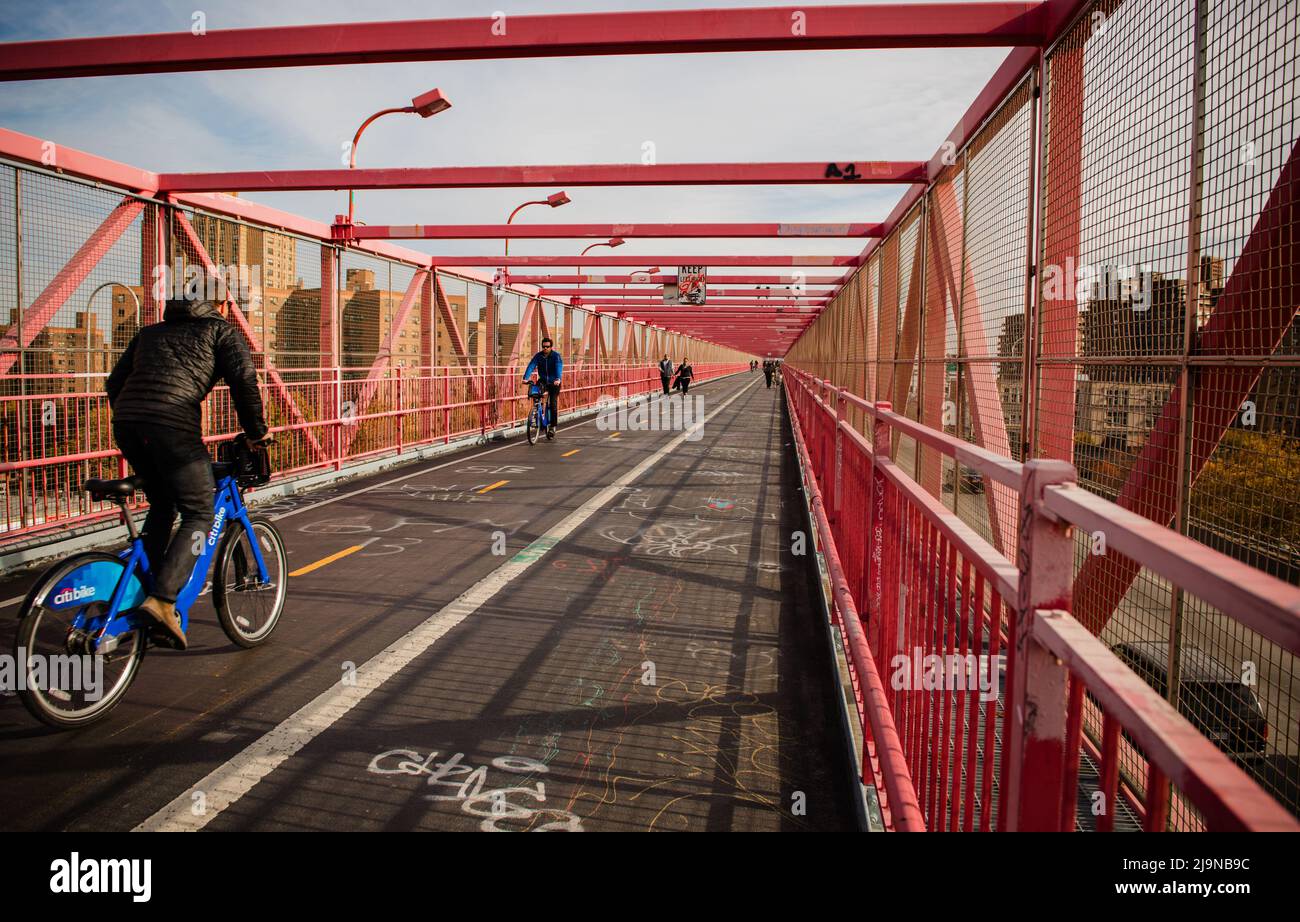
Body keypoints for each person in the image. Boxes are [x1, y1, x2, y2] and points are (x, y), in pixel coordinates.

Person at [106, 298, 270, 649]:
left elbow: (114, 382)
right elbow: (244, 379)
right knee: (198, 512)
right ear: (220, 307)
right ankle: (163, 601)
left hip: (127, 423)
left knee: (163, 503)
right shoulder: (221, 331)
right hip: (173, 425)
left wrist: (137, 415)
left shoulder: (149, 333)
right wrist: (256, 432)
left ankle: (140, 589)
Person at [522, 337, 563, 436]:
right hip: (543, 381)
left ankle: (552, 426)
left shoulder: (556, 356)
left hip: (554, 382)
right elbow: (532, 365)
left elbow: (558, 367)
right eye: (544, 346)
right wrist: (525, 378)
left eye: (547, 347)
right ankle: (537, 413)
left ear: (551, 347)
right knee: (535, 395)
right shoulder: (538, 356)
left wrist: (558, 378)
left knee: (553, 403)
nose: (545, 348)